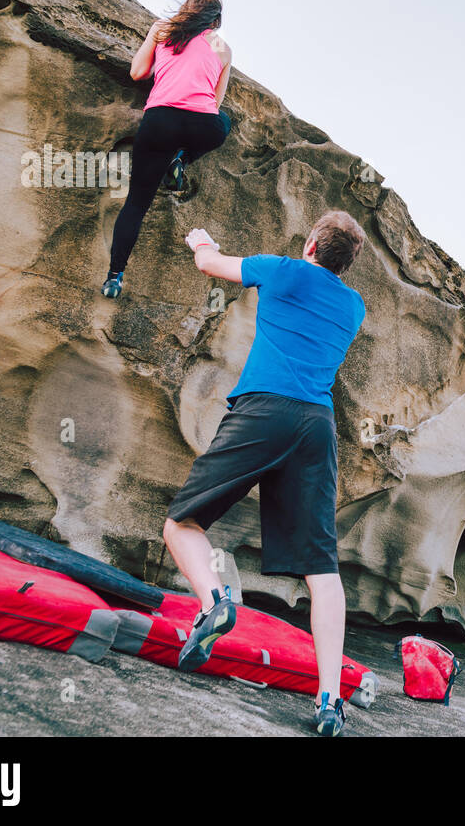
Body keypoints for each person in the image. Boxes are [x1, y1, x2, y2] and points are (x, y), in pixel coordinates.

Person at [161, 211, 367, 737]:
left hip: (264, 410)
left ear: (312, 243)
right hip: (316, 426)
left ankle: (214, 602)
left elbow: (211, 265)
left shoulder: (284, 270)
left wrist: (201, 240)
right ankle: (329, 701)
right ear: (346, 262)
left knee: (181, 524)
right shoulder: (353, 305)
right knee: (322, 570)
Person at [102, 0, 233, 298]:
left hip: (160, 120)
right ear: (215, 21)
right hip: (202, 123)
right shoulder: (221, 46)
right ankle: (182, 159)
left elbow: (137, 72)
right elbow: (216, 103)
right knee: (223, 122)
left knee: (136, 204)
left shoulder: (164, 29)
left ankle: (114, 278)